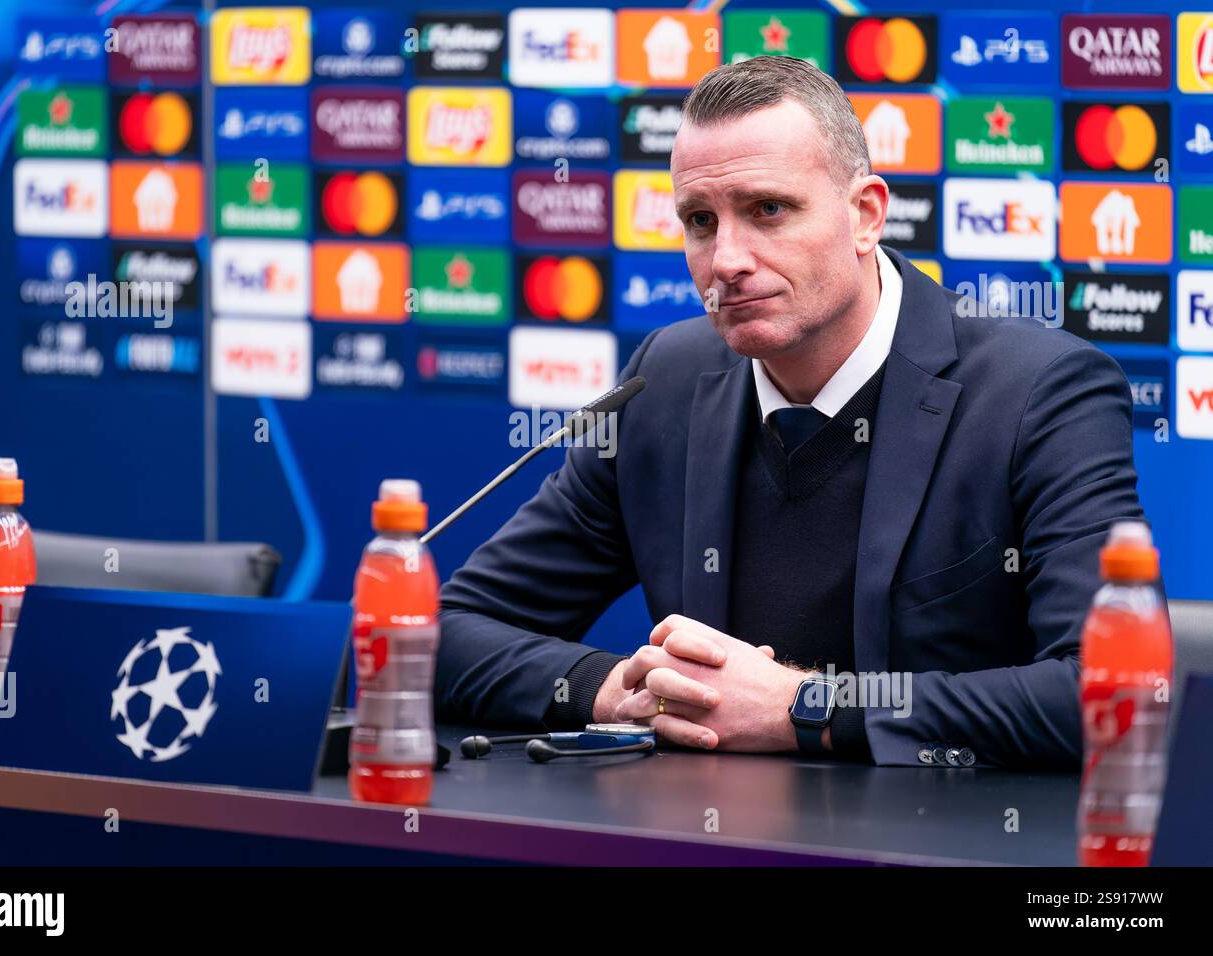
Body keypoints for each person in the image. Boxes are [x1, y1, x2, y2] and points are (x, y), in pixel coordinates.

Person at [434, 56, 1153, 767]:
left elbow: (1106, 690)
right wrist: (604, 689)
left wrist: (806, 709)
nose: (727, 260)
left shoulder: (1040, 393)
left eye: (767, 210)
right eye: (700, 220)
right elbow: (436, 633)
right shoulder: (665, 383)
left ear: (865, 213)